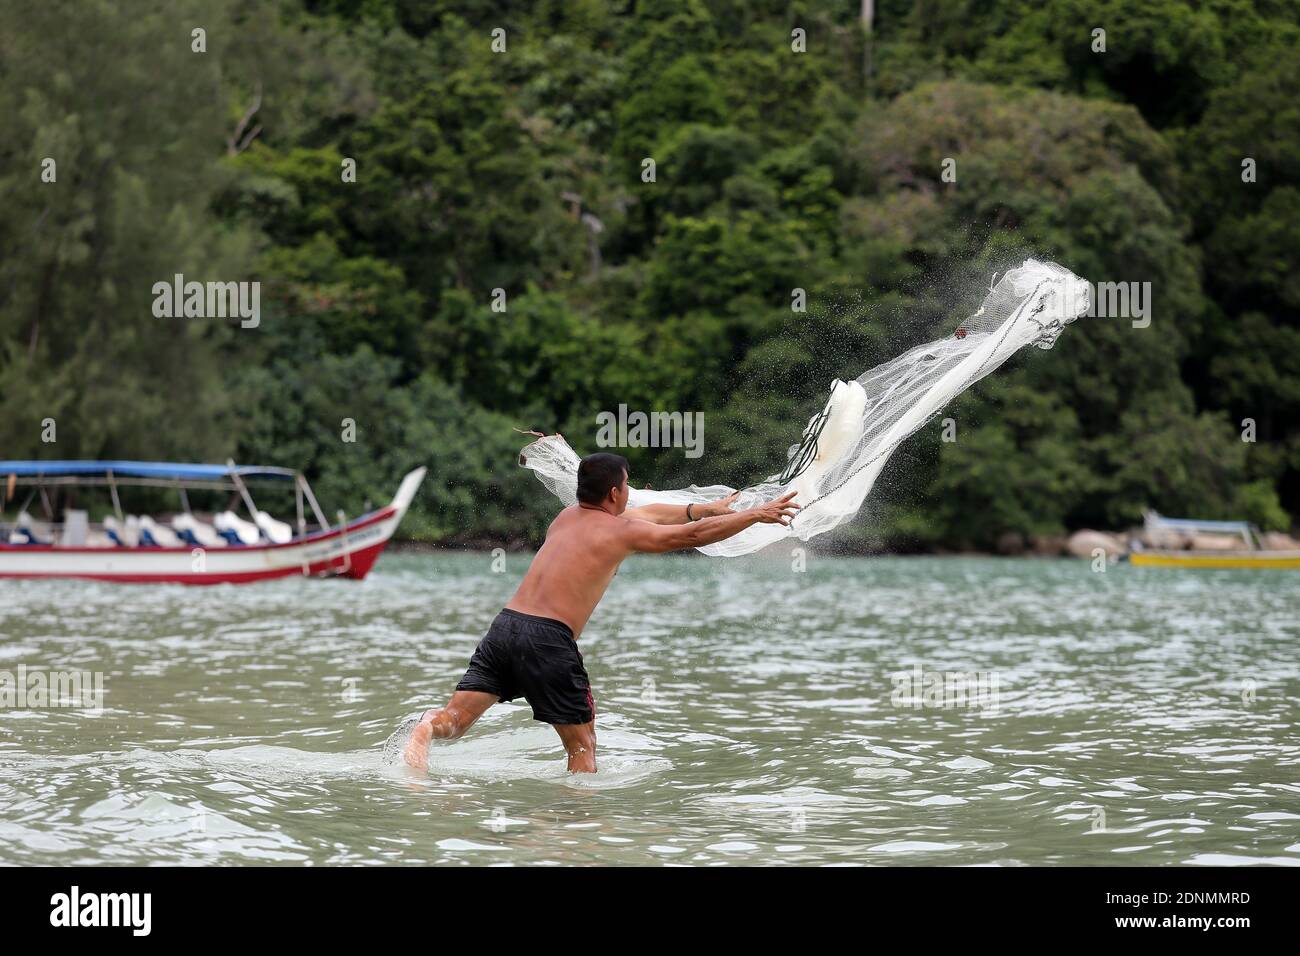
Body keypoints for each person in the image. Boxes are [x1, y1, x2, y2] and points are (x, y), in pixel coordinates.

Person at [403, 451, 799, 773]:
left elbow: (658, 515)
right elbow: (687, 537)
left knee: (453, 723)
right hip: (549, 639)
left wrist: (702, 508)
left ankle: (425, 728)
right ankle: (578, 829)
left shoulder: (566, 518)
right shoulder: (619, 531)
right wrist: (754, 515)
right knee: (582, 747)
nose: (630, 493)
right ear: (614, 493)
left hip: (504, 630)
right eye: (627, 485)